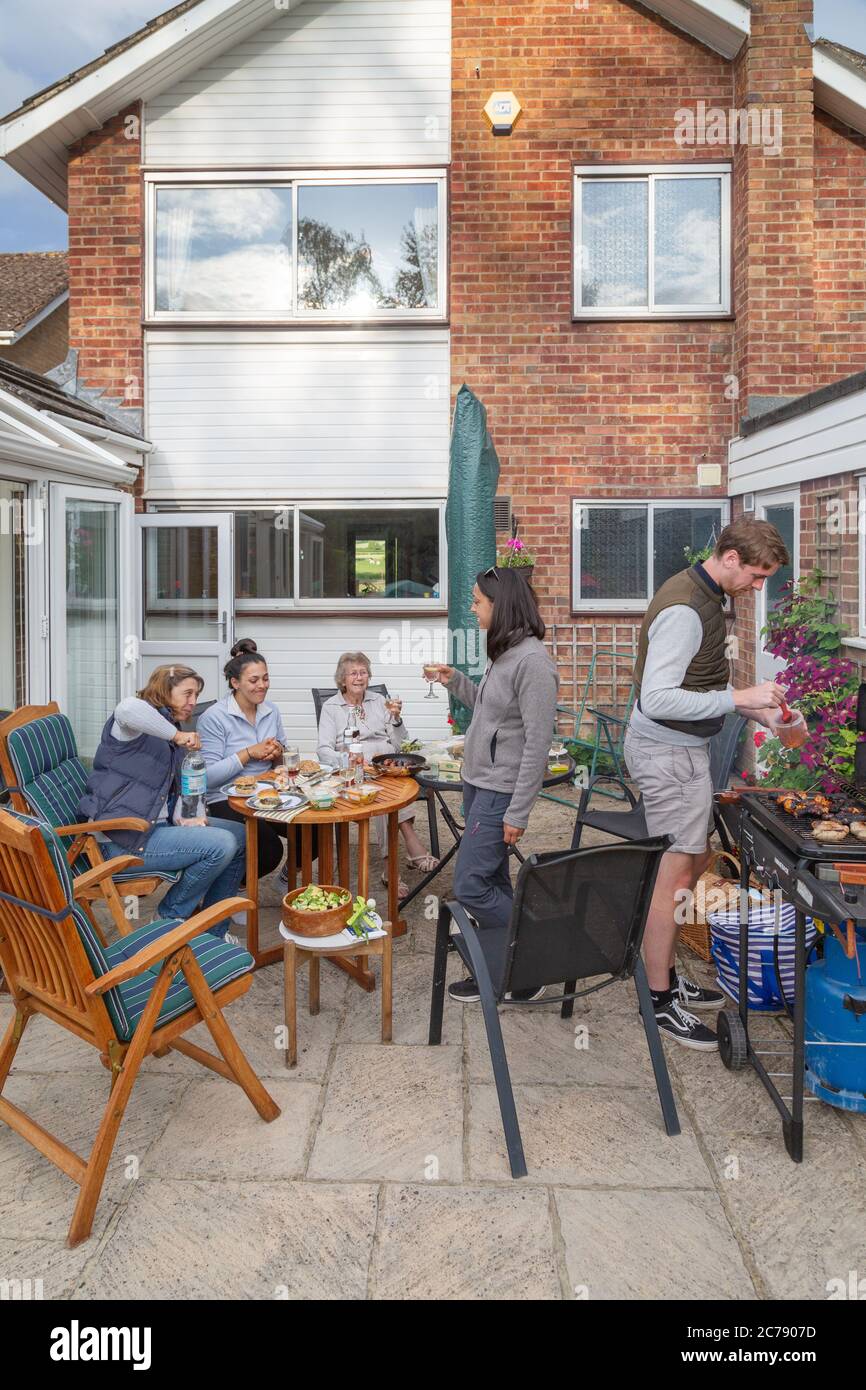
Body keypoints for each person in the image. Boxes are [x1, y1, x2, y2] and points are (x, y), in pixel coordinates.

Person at [624, 517, 802, 1049]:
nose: (758, 586)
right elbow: (657, 698)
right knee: (676, 877)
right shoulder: (685, 609)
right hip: (667, 754)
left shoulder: (705, 596)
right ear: (730, 559)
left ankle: (662, 976)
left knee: (693, 864)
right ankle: (657, 999)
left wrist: (763, 717)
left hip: (683, 751)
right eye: (757, 574)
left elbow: (701, 682)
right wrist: (740, 699)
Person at [427, 567, 559, 1003]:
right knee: (496, 880)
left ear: (500, 605)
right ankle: (513, 971)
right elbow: (490, 711)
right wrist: (456, 681)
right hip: (478, 783)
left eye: (477, 601)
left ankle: (543, 944)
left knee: (469, 886)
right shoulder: (503, 651)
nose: (472, 607)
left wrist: (518, 812)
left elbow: (538, 744)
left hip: (500, 791)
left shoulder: (533, 662)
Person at [78, 665, 248, 941]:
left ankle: (214, 934)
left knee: (240, 835)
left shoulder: (170, 732)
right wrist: (177, 736)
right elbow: (126, 708)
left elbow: (177, 790)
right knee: (221, 845)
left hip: (156, 828)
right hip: (119, 840)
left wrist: (189, 816)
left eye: (196, 695)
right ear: (163, 691)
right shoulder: (133, 727)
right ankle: (168, 918)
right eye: (187, 694)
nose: (193, 703)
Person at [317, 651, 439, 896]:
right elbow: (323, 750)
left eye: (363, 672)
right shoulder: (332, 707)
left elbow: (399, 743)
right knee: (384, 798)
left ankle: (391, 867)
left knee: (386, 792)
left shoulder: (379, 700)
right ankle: (395, 861)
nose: (359, 678)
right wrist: (346, 759)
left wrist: (395, 718)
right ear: (342, 679)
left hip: (387, 767)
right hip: (354, 771)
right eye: (353, 673)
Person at [199, 638, 317, 879]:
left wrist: (277, 755)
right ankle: (235, 889)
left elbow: (281, 760)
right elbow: (206, 778)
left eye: (265, 678)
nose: (262, 685)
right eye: (253, 680)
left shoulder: (270, 710)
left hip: (267, 792)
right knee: (268, 849)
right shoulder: (215, 717)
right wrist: (248, 753)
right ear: (235, 682)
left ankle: (286, 879)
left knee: (314, 830)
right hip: (226, 798)